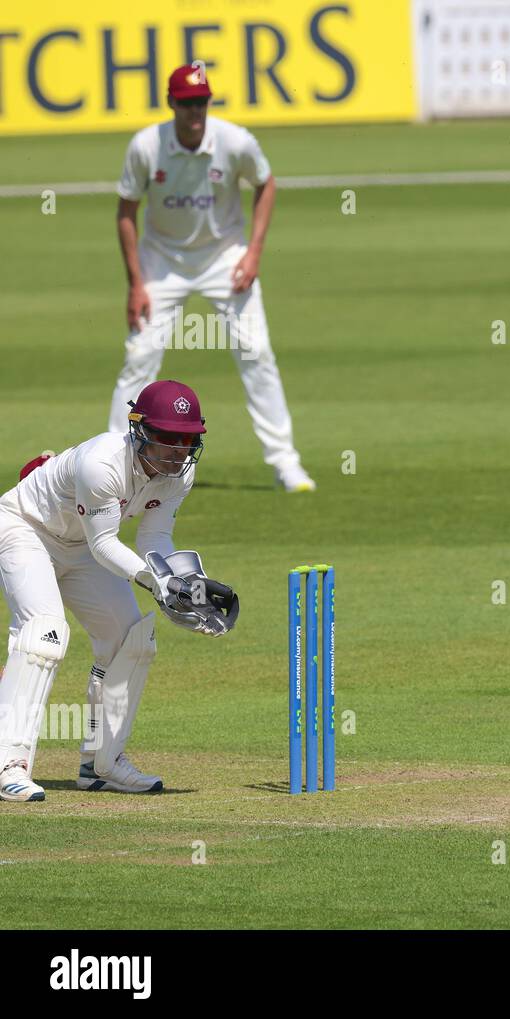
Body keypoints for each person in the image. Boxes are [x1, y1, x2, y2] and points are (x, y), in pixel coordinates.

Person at [0, 380, 238, 802]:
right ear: (140, 431)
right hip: (25, 529)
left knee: (132, 638)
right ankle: (9, 763)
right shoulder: (102, 464)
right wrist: (155, 583)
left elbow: (155, 540)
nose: (178, 452)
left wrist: (179, 587)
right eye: (167, 440)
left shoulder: (179, 472)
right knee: (45, 634)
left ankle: (101, 764)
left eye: (187, 441)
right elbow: (104, 544)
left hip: (83, 546)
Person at [107, 63, 315, 493]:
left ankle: (285, 463)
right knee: (140, 354)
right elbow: (127, 210)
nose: (195, 110)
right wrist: (136, 282)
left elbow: (266, 182)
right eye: (186, 103)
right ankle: (113, 461)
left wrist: (254, 252)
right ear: (171, 104)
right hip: (162, 260)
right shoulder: (147, 146)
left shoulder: (235, 141)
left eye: (201, 101)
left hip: (225, 256)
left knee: (256, 351)